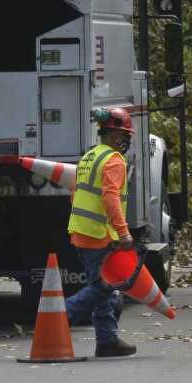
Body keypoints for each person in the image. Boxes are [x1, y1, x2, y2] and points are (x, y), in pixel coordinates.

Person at [64, 107, 137, 357]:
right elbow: (110, 197)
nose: (126, 140)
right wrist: (123, 232)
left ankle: (107, 340)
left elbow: (75, 192)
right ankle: (61, 315)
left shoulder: (89, 157)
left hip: (82, 232)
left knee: (100, 286)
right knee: (104, 287)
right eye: (125, 134)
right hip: (99, 234)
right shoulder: (114, 160)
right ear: (115, 135)